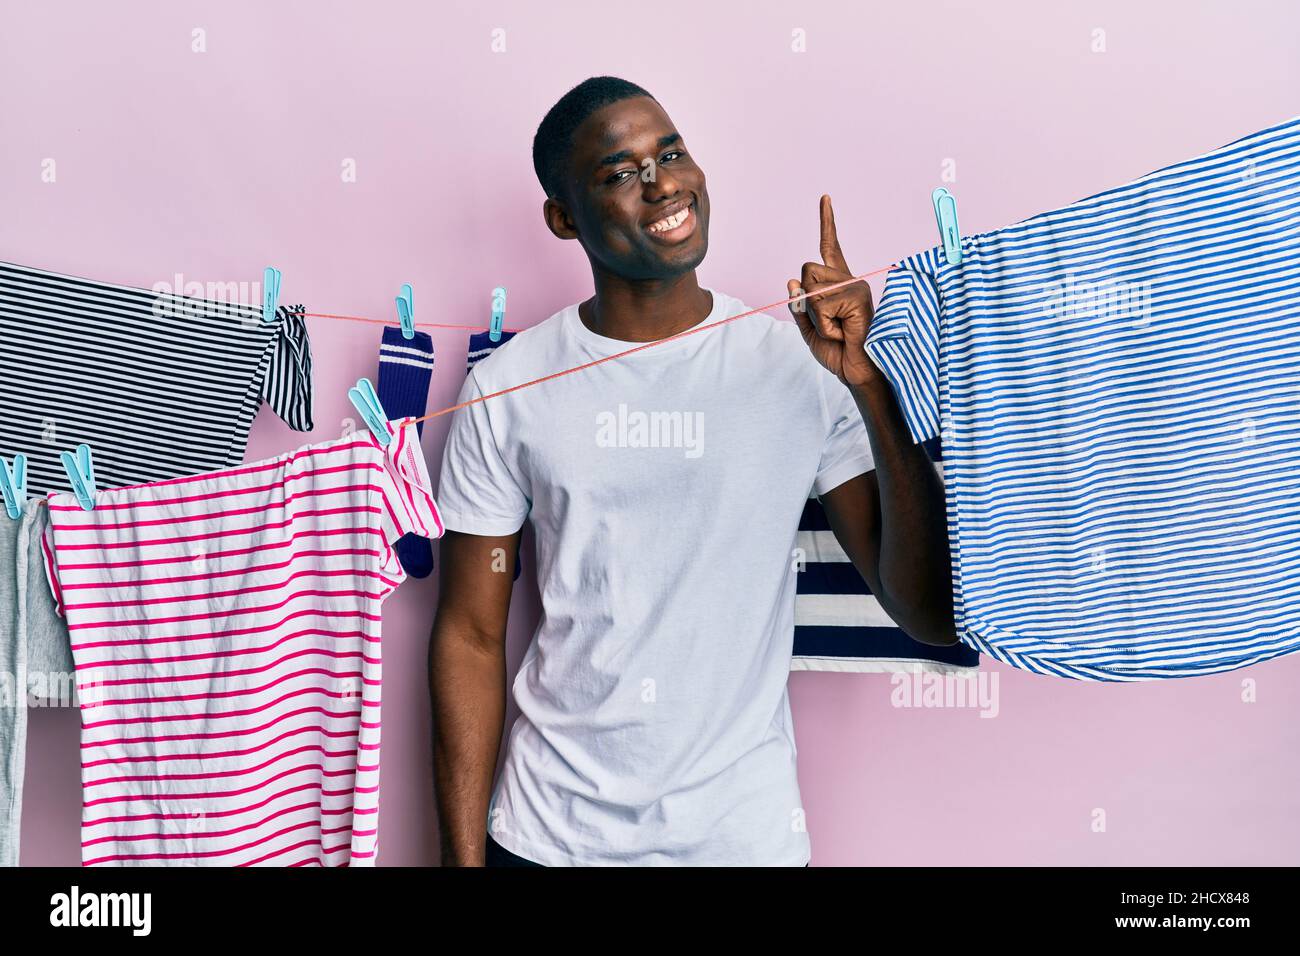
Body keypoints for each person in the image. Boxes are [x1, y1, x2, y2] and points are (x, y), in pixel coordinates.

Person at [429, 76, 956, 867]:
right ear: (564, 217)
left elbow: (928, 610)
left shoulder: (799, 367)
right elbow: (470, 634)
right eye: (620, 172)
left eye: (670, 152)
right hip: (547, 839)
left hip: (742, 840)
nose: (663, 182)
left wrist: (868, 384)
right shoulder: (507, 388)